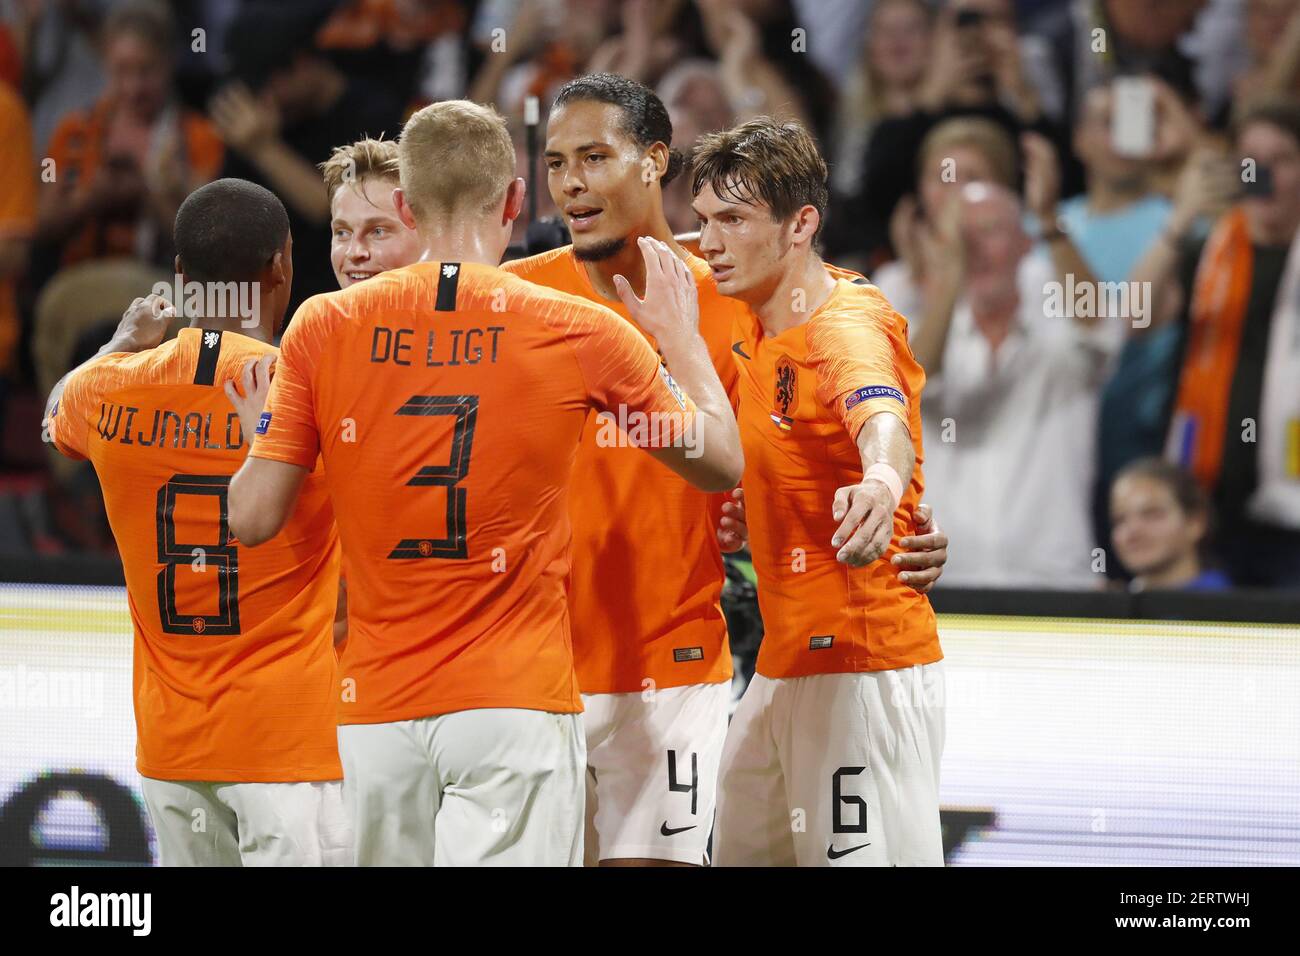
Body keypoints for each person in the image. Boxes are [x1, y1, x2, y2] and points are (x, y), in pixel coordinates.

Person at [317, 116, 952, 865]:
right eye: (556, 161)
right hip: (558, 680)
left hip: (719, 669)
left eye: (594, 157)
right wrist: (752, 510)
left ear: (653, 164)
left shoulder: (774, 307)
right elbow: (770, 457)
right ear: (525, 191)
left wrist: (886, 481)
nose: (573, 180)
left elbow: (871, 405)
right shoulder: (534, 299)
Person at [225, 99, 743, 867]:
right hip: (513, 696)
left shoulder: (322, 327)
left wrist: (258, 434)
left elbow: (254, 518)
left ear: (405, 206)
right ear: (513, 202)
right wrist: (683, 342)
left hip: (377, 708)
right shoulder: (576, 328)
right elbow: (718, 459)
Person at [42, 179, 349, 866]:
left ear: (180, 278)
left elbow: (51, 412)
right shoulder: (310, 388)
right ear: (283, 267)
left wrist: (118, 343)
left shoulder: (107, 388)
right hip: (291, 744)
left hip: (172, 747)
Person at [691, 117, 945, 866]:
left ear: (802, 224)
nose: (709, 242)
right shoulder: (749, 306)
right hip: (786, 660)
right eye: (703, 220)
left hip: (864, 667)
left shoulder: (844, 326)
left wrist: (881, 480)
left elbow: (881, 417)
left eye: (732, 220)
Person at [910, 182, 1119, 589]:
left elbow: (1101, 326)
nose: (973, 250)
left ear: (1026, 244)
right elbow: (907, 386)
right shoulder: (924, 336)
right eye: (962, 237)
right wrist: (949, 275)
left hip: (1057, 581)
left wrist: (1049, 223)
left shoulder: (1061, 338)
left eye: (990, 231)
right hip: (951, 584)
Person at [1142, 96, 1300, 587]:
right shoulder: (1208, 250)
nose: (1262, 173)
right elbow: (1134, 320)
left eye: (1282, 160)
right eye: (1251, 161)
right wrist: (1180, 219)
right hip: (1209, 507)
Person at [36, 0, 224, 269]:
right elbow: (42, 226)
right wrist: (91, 198)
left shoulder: (200, 137)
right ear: (105, 63)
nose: (133, 88)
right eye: (122, 70)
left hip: (165, 288)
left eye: (146, 71)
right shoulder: (74, 131)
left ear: (169, 63)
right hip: (81, 285)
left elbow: (211, 245)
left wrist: (149, 194)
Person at [1110, 457, 1230, 591]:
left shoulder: (1229, 609)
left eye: (1152, 514)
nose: (1132, 531)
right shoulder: (1107, 607)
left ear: (1195, 523)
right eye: (1119, 520)